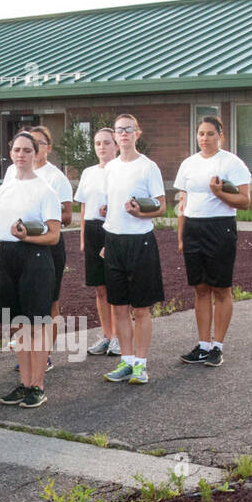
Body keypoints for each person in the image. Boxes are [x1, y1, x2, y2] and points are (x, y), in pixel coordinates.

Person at [173, 115, 252, 367]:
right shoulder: (188, 164)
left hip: (220, 228)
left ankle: (217, 346)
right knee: (200, 289)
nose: (204, 138)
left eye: (209, 133)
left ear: (221, 136)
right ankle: (203, 345)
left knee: (221, 289)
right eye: (201, 134)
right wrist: (181, 236)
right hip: (193, 228)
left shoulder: (232, 163)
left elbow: (245, 201)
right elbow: (183, 203)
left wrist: (219, 193)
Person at [0, 132, 62, 408]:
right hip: (8, 257)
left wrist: (27, 238)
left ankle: (38, 386)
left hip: (35, 257)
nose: (21, 155)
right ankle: (24, 384)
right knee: (18, 323)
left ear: (36, 154)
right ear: (11, 154)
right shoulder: (5, 188)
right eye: (17, 150)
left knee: (38, 323)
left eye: (27, 150)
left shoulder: (45, 190)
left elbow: (54, 236)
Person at [100, 113, 166, 384]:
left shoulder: (148, 167)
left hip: (141, 242)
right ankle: (126, 362)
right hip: (114, 241)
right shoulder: (111, 168)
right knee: (118, 307)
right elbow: (111, 207)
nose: (124, 134)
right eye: (120, 130)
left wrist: (141, 213)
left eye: (129, 129)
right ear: (115, 136)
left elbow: (162, 206)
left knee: (141, 309)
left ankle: (140, 364)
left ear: (137, 133)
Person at [26, 126, 73, 368]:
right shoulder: (16, 172)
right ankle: (28, 354)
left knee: (49, 302)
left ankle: (45, 355)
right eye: (30, 142)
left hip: (49, 245)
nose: (34, 147)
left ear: (49, 147)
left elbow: (67, 215)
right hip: (22, 245)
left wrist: (43, 218)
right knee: (25, 303)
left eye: (40, 142)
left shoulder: (56, 177)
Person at [77, 127, 120, 357]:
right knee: (99, 288)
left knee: (115, 287)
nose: (101, 147)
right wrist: (84, 238)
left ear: (115, 145)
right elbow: (84, 207)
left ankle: (119, 338)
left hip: (112, 230)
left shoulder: (119, 171)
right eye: (97, 143)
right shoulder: (88, 173)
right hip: (93, 231)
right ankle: (107, 335)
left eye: (106, 142)